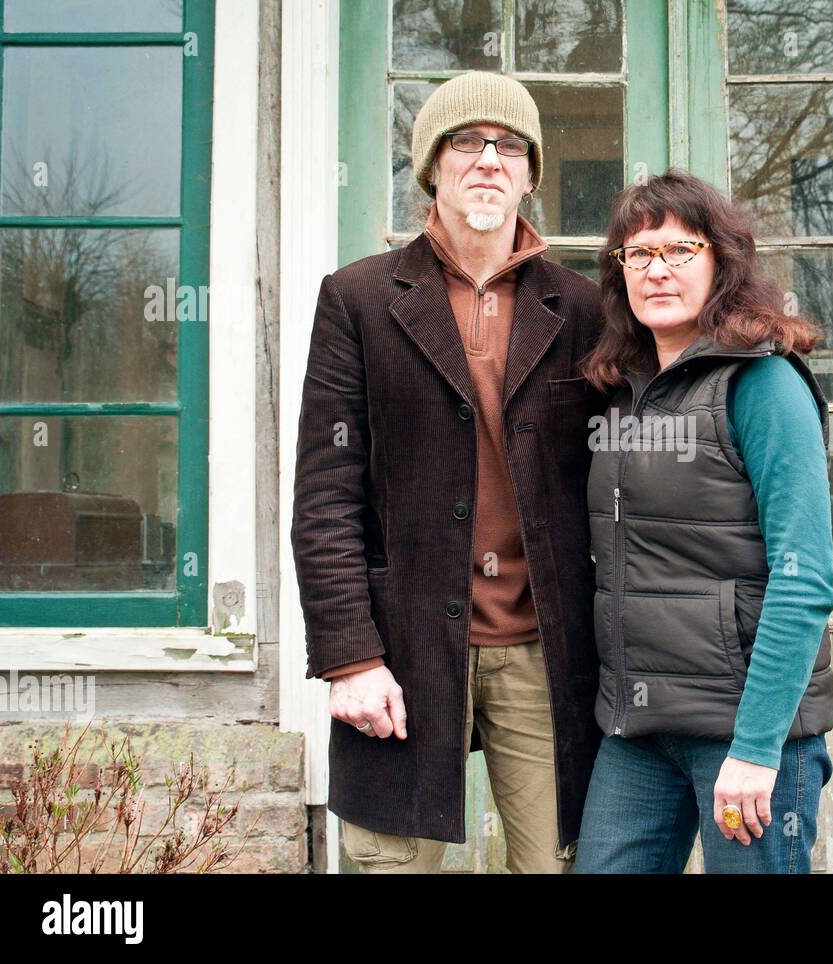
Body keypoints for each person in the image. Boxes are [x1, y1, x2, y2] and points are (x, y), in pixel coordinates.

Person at [291, 71, 605, 873]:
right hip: (402, 651)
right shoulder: (357, 300)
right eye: (465, 142)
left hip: (544, 648)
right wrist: (350, 657)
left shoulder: (584, 309)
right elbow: (325, 496)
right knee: (389, 862)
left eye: (509, 146)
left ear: (531, 171)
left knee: (559, 861)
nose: (488, 159)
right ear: (432, 165)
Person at [572, 168, 833, 874]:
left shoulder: (763, 384)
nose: (658, 270)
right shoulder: (621, 394)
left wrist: (756, 748)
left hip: (747, 735)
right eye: (639, 254)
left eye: (681, 251)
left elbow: (804, 577)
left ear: (721, 262)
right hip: (637, 728)